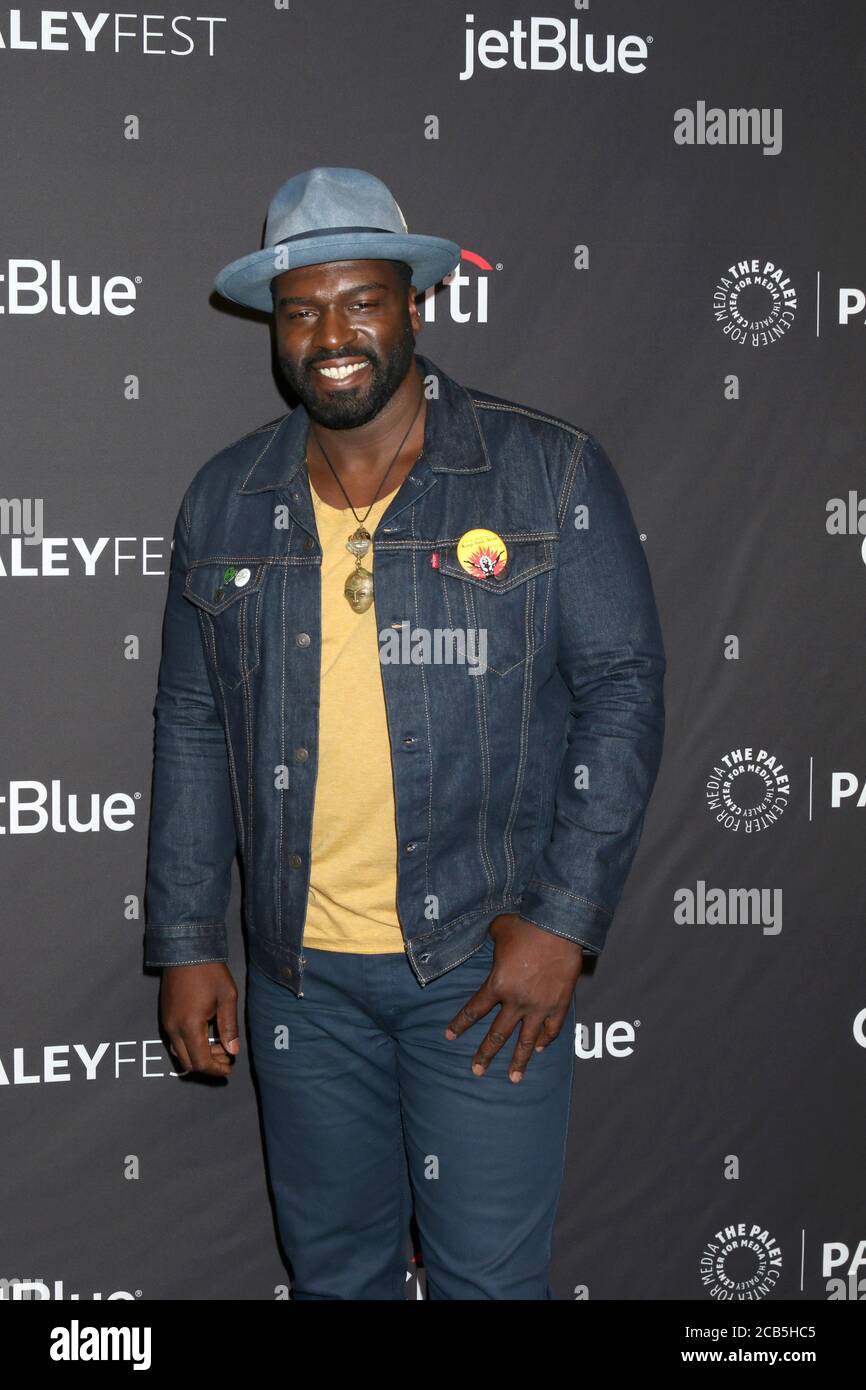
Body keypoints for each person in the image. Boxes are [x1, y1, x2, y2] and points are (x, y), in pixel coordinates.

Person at [143, 166, 666, 1300]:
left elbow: (621, 691)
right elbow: (192, 721)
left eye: (361, 300)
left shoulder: (545, 471)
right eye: (301, 310)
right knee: (337, 1276)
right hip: (300, 977)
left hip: (480, 965)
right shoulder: (224, 499)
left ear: (413, 306)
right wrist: (188, 936)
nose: (331, 333)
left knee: (485, 1283)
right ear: (276, 331)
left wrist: (561, 925)